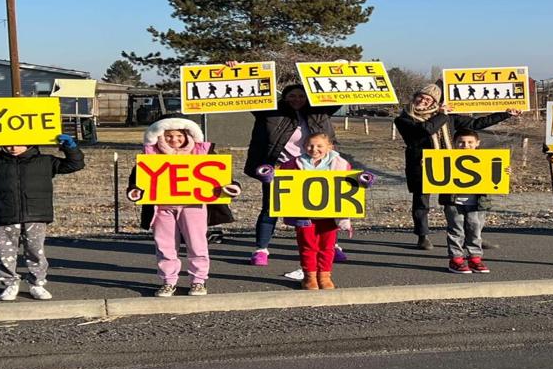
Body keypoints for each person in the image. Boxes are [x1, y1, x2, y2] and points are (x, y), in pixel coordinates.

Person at [0, 129, 86, 301]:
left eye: (17, 143)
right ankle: (10, 283)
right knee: (5, 252)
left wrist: (70, 148)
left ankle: (37, 283)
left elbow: (75, 165)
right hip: (4, 214)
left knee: (36, 251)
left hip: (36, 214)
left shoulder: (45, 161)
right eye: (7, 143)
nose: (12, 147)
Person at [395, 83, 521, 250]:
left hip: (450, 164)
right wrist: (442, 114)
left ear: (434, 102)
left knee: (461, 203)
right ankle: (422, 236)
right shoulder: (404, 119)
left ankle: (473, 237)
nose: (423, 101)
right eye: (421, 96)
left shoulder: (447, 116)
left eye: (429, 99)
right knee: (421, 203)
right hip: (422, 165)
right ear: (415, 97)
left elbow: (476, 124)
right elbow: (424, 131)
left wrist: (505, 114)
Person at [126, 117, 242, 297]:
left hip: (193, 206)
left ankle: (198, 281)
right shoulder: (151, 155)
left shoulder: (202, 153)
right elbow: (138, 179)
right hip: (162, 208)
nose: (174, 139)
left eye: (179, 135)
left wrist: (231, 187)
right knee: (165, 246)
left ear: (188, 135)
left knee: (197, 244)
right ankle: (168, 281)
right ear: (160, 136)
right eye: (169, 135)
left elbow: (220, 175)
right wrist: (135, 191)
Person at [241, 74, 340, 267]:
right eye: (292, 96)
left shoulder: (320, 112)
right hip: (279, 169)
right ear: (284, 98)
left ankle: (331, 246)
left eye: (301, 96)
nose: (297, 99)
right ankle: (261, 250)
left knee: (324, 210)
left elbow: (343, 94)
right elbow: (245, 97)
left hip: (316, 169)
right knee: (270, 209)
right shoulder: (269, 112)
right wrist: (236, 71)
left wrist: (341, 70)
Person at [262, 132, 374, 291]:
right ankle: (309, 276)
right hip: (304, 214)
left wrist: (364, 179)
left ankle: (324, 276)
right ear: (303, 146)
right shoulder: (294, 163)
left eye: (319, 146)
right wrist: (268, 175)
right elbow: (279, 176)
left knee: (328, 247)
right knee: (307, 246)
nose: (314, 149)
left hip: (330, 215)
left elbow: (351, 182)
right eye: (310, 145)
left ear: (330, 147)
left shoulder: (341, 163)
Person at [441, 129, 492, 274]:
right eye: (461, 142)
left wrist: (505, 171)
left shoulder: (487, 159)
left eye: (470, 142)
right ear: (455, 143)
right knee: (456, 231)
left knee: (475, 230)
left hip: (477, 203)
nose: (466, 145)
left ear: (477, 143)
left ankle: (475, 259)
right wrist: (426, 165)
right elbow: (435, 173)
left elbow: (496, 175)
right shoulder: (446, 158)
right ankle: (456, 260)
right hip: (453, 202)